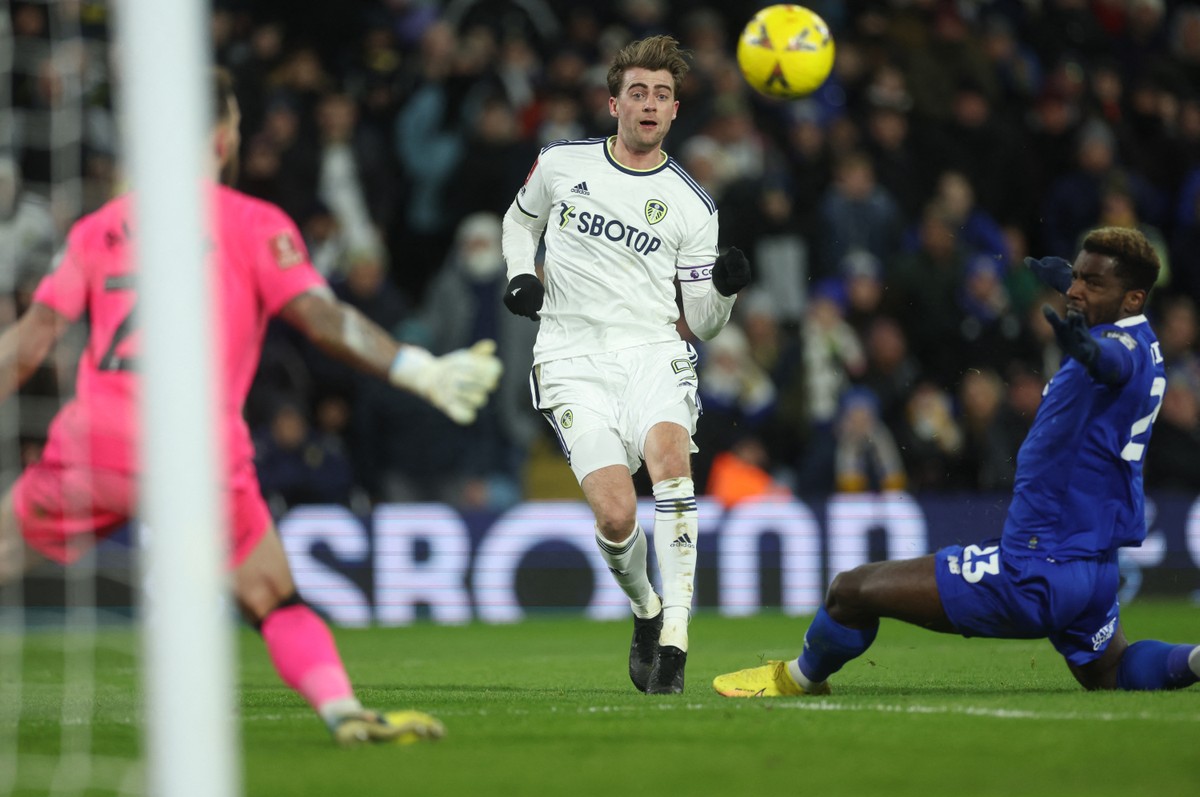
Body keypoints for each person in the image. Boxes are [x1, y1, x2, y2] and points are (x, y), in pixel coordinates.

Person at [0, 69, 503, 745]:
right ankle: (341, 708)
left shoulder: (98, 228)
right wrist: (415, 367)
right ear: (218, 137)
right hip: (194, 457)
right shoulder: (252, 224)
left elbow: (29, 344)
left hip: (96, 448)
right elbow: (322, 320)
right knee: (272, 598)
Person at [713, 227, 1199, 698]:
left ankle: (798, 679)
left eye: (1091, 283)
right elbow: (1121, 344)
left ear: (1132, 299)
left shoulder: (1118, 348)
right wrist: (1077, 291)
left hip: (1035, 569)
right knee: (1110, 668)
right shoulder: (1151, 344)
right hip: (1092, 569)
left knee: (850, 591)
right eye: (1075, 276)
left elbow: (1115, 361)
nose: (1074, 290)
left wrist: (1091, 353)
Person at [500, 35, 750, 695]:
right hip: (570, 353)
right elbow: (518, 222)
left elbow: (699, 320)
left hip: (651, 351)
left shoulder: (695, 207)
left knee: (671, 458)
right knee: (615, 516)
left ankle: (677, 638)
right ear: (613, 103)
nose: (649, 104)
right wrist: (522, 274)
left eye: (661, 95)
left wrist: (722, 288)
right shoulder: (561, 165)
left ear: (673, 113)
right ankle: (646, 609)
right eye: (637, 92)